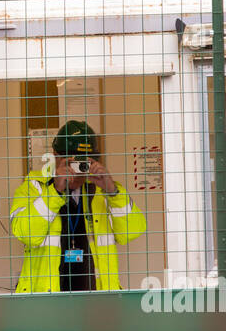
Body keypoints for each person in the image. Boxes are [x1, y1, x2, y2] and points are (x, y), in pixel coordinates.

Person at [10, 120, 146, 292]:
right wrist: (56, 191)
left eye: (84, 164)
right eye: (72, 163)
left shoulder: (103, 192)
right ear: (55, 155)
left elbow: (131, 233)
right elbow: (26, 234)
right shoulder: (34, 188)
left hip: (96, 300)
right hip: (48, 300)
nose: (78, 170)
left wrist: (112, 192)